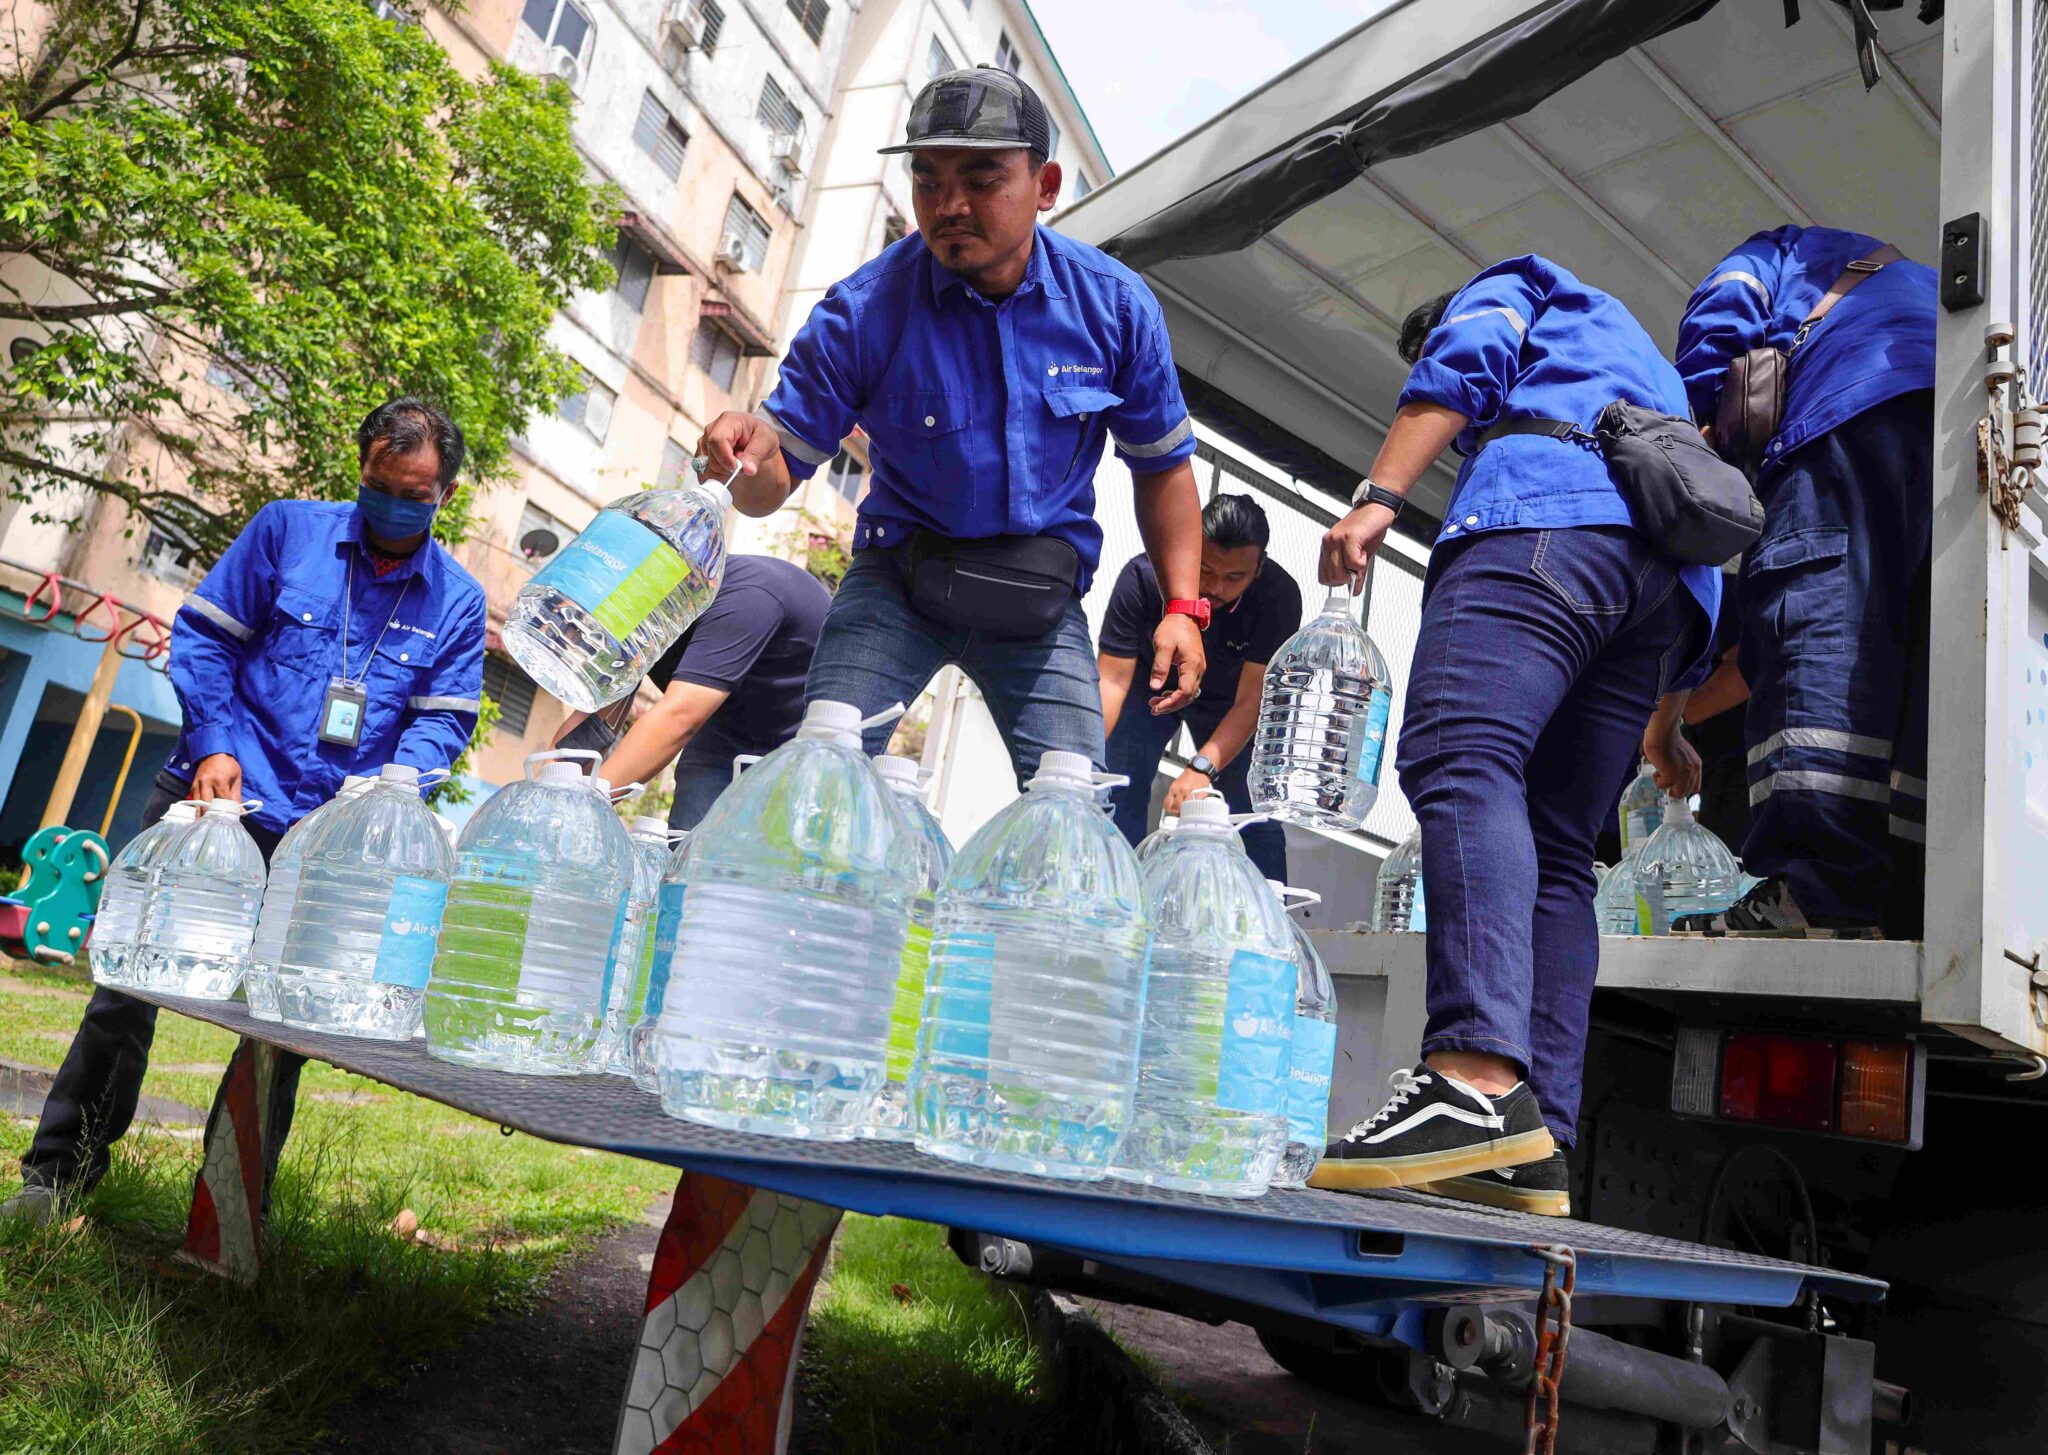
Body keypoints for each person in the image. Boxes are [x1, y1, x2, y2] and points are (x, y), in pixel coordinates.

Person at [1, 398, 485, 1226]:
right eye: (380, 484)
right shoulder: (287, 532)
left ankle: (227, 1218)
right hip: (212, 797)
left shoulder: (457, 601)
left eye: (416, 493)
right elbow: (205, 637)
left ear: (445, 495)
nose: (395, 504)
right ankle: (57, 1179)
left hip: (326, 844)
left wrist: (394, 789)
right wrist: (216, 742)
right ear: (362, 468)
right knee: (126, 991)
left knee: (284, 1026)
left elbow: (443, 717)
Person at [1304, 258, 1716, 1215]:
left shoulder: (1523, 286)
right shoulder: (1635, 357)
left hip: (1550, 520)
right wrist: (1670, 719)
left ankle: (1472, 1082)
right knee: (1564, 848)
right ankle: (1536, 1139)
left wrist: (1380, 493)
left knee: (1459, 754)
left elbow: (1464, 358)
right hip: (1664, 590)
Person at [692, 65, 1207, 779]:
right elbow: (771, 479)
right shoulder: (863, 312)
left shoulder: (1115, 308)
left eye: (982, 177)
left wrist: (1182, 607)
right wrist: (740, 460)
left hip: (1040, 601)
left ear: (1046, 187)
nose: (949, 204)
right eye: (928, 178)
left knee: (1072, 807)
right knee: (817, 775)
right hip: (899, 580)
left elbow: (1162, 467)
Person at [1666, 225, 1935, 939]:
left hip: (1842, 419)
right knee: (1917, 660)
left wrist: (1696, 420)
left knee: (1814, 621)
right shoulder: (1925, 295)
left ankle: (1814, 895)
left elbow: (1724, 309)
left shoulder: (1780, 249)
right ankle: (1909, 900)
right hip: (1959, 429)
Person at [1098, 493, 1300, 881]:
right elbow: (1111, 680)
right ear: (1189, 549)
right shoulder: (1142, 579)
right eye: (1205, 569)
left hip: (1231, 702)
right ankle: (1113, 893)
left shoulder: (1278, 597)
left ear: (1258, 571)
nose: (1215, 587)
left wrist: (1201, 767)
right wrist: (1088, 760)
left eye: (1234, 577)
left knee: (1251, 805)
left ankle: (1271, 920)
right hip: (1151, 688)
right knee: (1116, 782)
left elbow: (1253, 699)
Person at [558, 554, 830, 831]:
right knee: (688, 849)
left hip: (810, 741)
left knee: (779, 860)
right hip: (726, 727)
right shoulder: (639, 617)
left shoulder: (747, 599)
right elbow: (593, 724)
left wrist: (579, 810)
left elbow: (679, 718)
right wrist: (547, 795)